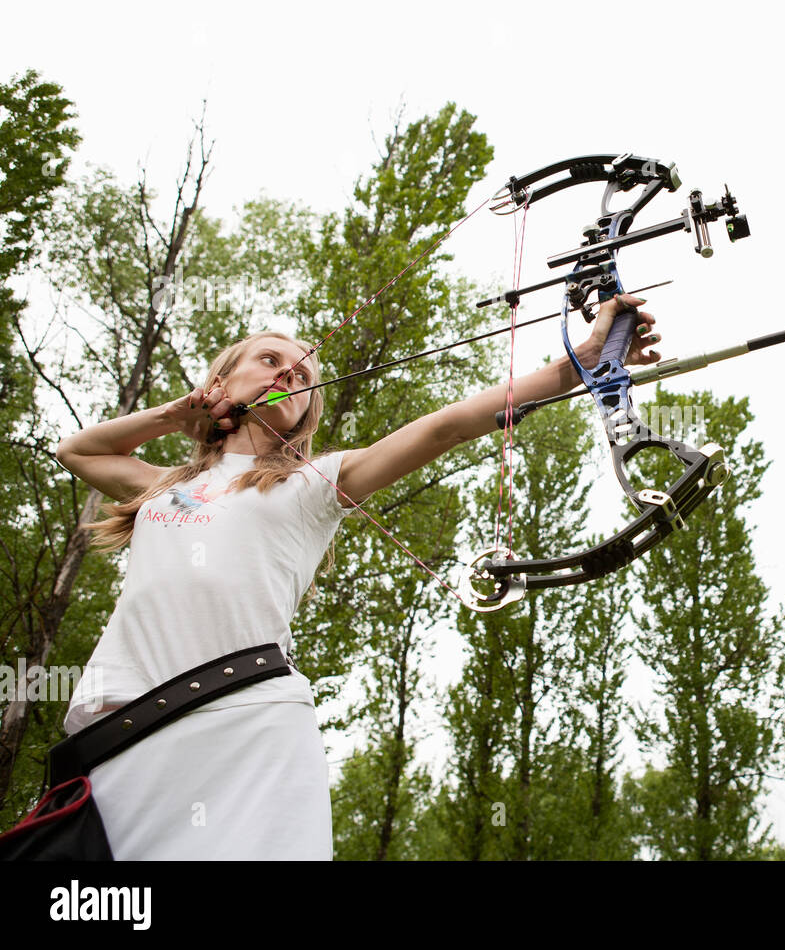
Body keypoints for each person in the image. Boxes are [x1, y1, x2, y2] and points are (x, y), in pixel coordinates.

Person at [54, 294, 660, 859]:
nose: (289, 374)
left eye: (303, 378)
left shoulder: (312, 483)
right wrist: (176, 414)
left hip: (244, 724)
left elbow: (446, 425)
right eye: (271, 360)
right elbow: (76, 451)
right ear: (221, 382)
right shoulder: (168, 486)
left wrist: (578, 363)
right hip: (118, 727)